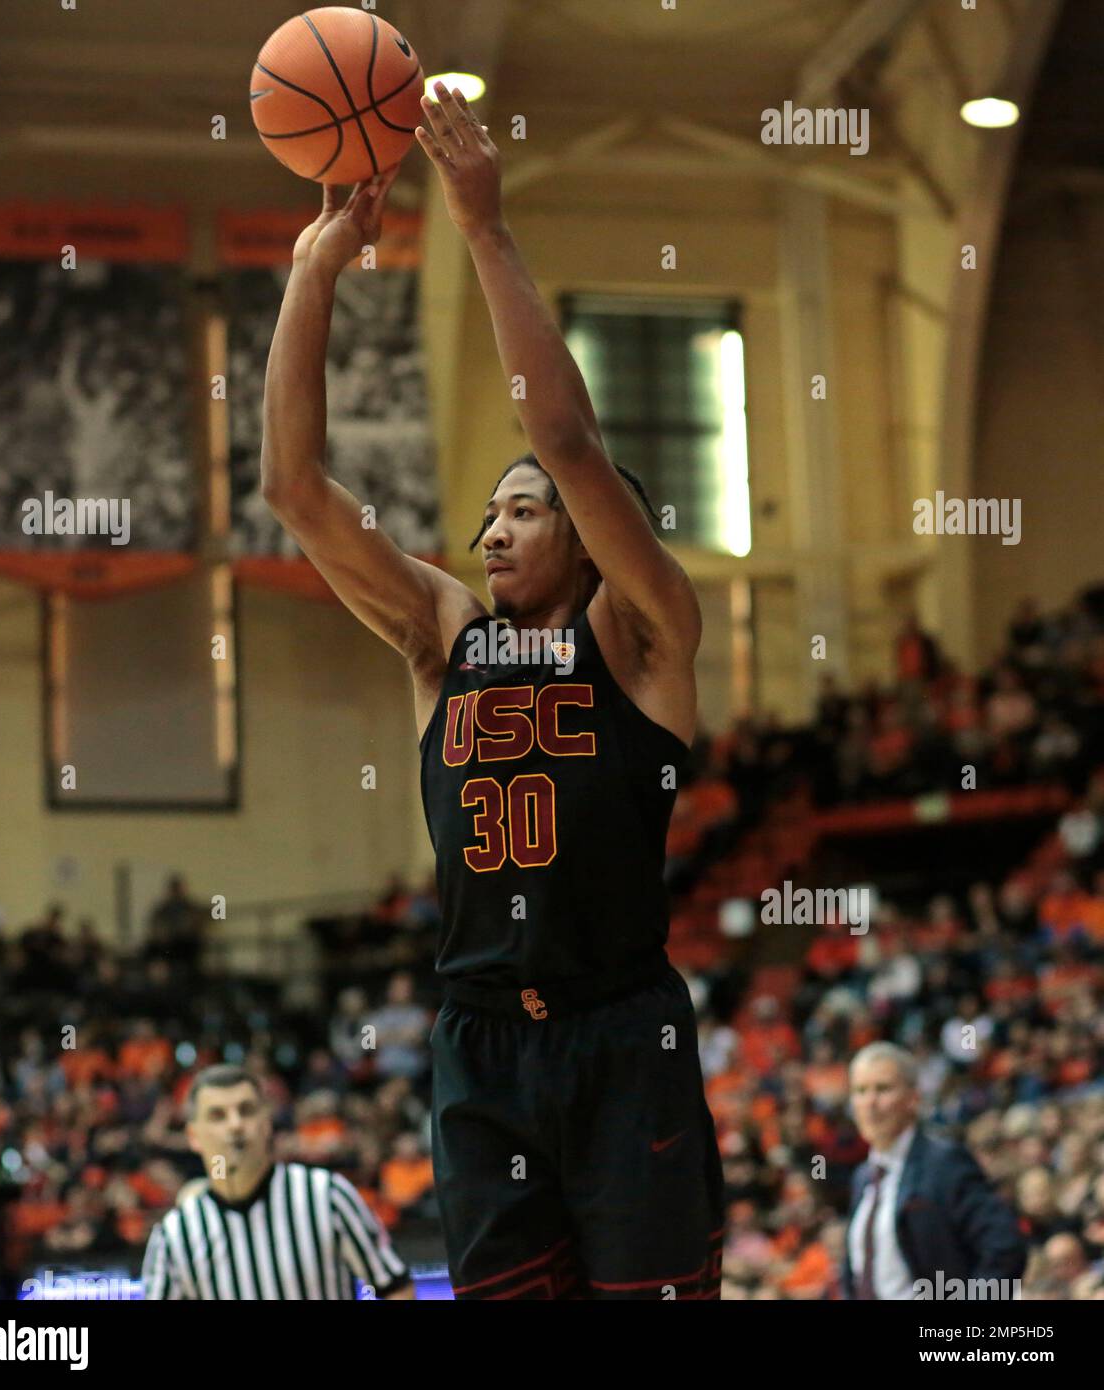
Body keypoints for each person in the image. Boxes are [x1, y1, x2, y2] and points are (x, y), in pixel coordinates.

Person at [262, 81, 723, 1300]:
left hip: (621, 1030)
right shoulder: (441, 638)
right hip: (479, 1043)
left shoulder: (643, 639)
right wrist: (315, 266)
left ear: (585, 536)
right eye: (487, 514)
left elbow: (568, 441)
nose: (491, 532)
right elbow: (297, 489)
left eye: (520, 513)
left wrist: (481, 228)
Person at [141, 1065, 412, 1300]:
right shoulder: (174, 1235)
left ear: (266, 1121)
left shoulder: (326, 1195)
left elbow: (393, 1286)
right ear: (193, 1136)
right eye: (217, 1115)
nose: (235, 1125)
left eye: (246, 1110)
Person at [843, 1042, 1027, 1299]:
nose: (870, 1102)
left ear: (913, 1099)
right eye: (860, 1091)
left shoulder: (943, 1162)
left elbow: (1004, 1248)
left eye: (882, 1089)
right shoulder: (863, 1177)